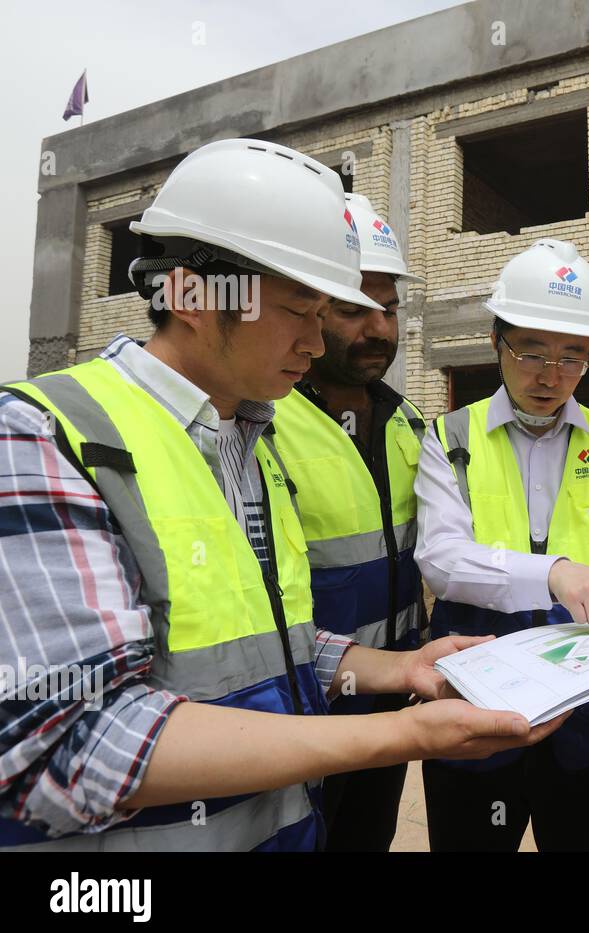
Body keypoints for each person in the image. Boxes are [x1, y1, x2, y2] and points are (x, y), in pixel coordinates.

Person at [0, 139, 560, 851]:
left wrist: (399, 669)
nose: (317, 338)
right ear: (195, 294)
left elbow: (265, 650)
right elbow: (70, 741)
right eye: (302, 310)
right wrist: (402, 733)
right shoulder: (43, 436)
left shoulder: (248, 439)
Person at [414, 238, 589, 852]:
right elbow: (442, 559)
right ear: (497, 343)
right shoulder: (450, 438)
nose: (550, 376)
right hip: (476, 703)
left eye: (572, 357)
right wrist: (555, 573)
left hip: (585, 714)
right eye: (531, 351)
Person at [272, 192, 429, 851]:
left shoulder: (409, 423)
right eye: (355, 308)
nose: (380, 329)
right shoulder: (264, 424)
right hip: (301, 712)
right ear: (311, 309)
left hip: (393, 706)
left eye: (388, 309)